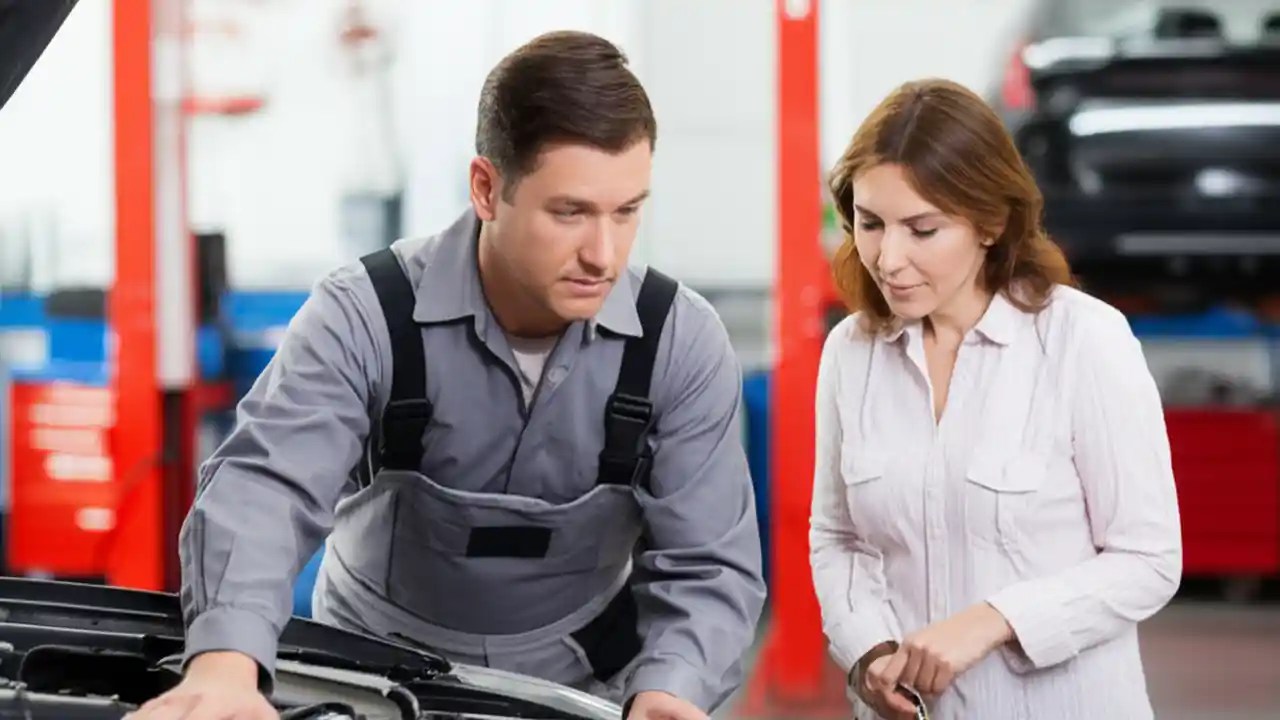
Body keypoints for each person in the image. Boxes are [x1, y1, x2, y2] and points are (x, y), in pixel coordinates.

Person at [128, 30, 766, 720]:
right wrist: (225, 667)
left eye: (627, 211)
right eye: (570, 212)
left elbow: (709, 567)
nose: (603, 255)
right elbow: (265, 487)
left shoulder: (678, 341)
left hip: (581, 689)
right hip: (368, 680)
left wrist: (671, 688)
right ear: (487, 189)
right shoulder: (366, 315)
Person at [809, 78, 1182, 720]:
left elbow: (1148, 560)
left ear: (990, 223)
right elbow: (837, 536)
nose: (887, 258)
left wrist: (994, 620)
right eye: (870, 224)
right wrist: (868, 651)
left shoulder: (1083, 340)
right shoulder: (852, 351)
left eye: (922, 229)